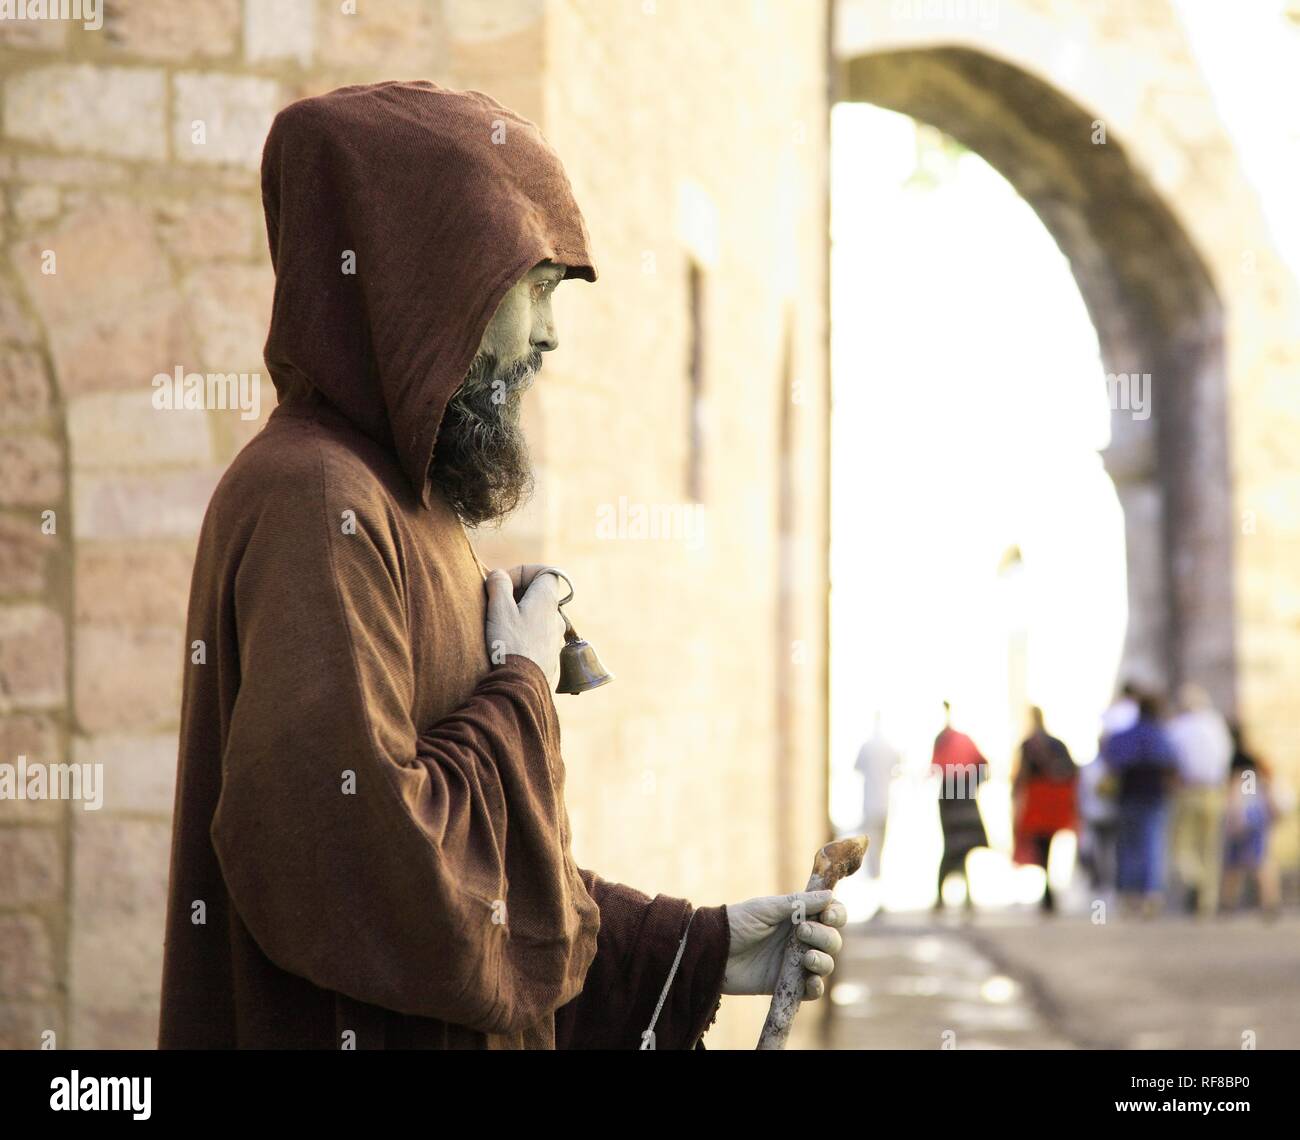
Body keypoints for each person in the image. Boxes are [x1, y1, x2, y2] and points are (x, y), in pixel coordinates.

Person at [158, 82, 846, 1050]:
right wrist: (519, 680)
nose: (552, 334)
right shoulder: (314, 501)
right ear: (425, 277)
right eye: (533, 288)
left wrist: (699, 950)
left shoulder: (407, 503)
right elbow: (372, 872)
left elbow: (489, 888)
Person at [1102, 692, 1180, 917]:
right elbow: (1172, 763)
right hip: (1154, 797)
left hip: (1128, 795)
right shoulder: (1161, 735)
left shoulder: (1125, 736)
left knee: (1128, 846)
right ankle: (1150, 894)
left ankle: (1128, 895)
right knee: (1152, 844)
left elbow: (1111, 759)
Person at [1166, 683, 1233, 916]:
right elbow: (1225, 756)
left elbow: (1171, 759)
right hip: (1214, 790)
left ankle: (1193, 877)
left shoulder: (1177, 727)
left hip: (1188, 791)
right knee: (1210, 848)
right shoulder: (1215, 724)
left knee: (1182, 846)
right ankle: (1207, 902)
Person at [1011, 707, 1077, 913]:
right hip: (1052, 799)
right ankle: (1048, 892)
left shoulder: (1030, 745)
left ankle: (1047, 891)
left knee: (1041, 843)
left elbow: (1021, 773)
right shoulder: (1055, 744)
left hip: (1039, 798)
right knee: (1045, 842)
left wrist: (1015, 795)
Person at [931, 702, 989, 913]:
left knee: (957, 847)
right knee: (957, 847)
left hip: (955, 795)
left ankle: (954, 896)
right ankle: (953, 896)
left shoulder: (947, 739)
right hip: (959, 794)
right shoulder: (953, 739)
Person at [1221, 723, 1281, 918]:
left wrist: (1237, 814)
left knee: (1238, 862)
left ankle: (1228, 903)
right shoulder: (1256, 762)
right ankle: (1268, 901)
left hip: (1244, 814)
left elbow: (1241, 791)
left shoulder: (1239, 763)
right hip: (1257, 813)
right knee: (1259, 859)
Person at [854, 713, 899, 881]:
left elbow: (857, 767)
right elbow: (898, 769)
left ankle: (875, 881)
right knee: (879, 846)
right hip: (884, 804)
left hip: (871, 804)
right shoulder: (889, 747)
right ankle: (876, 880)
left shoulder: (867, 747)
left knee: (871, 848)